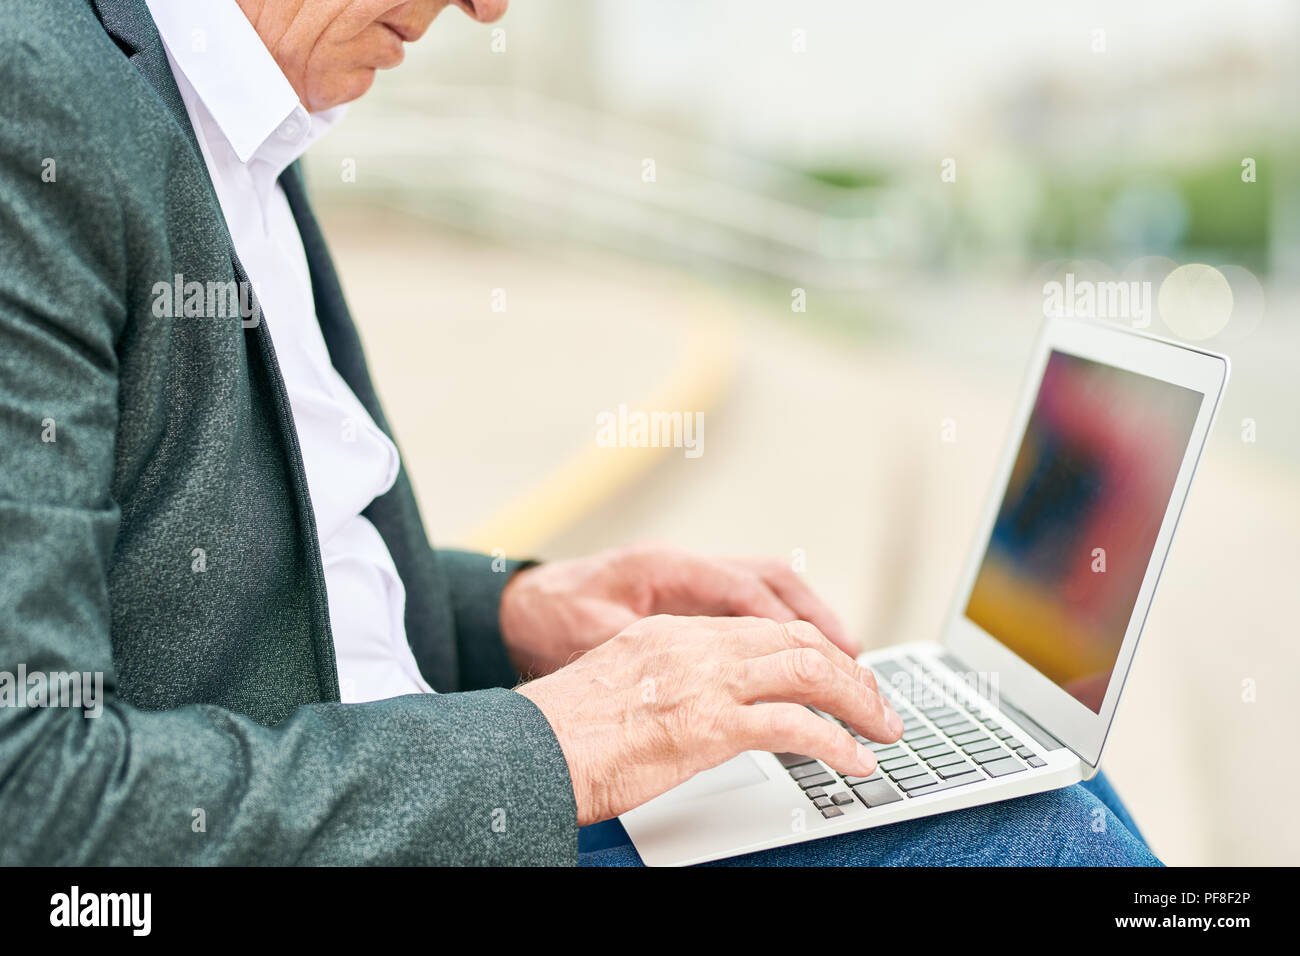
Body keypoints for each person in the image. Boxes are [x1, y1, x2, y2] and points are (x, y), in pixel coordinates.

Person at [0, 0, 1158, 866]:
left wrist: (509, 612)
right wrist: (561, 743)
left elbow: (256, 601)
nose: (488, 7)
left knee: (1045, 780)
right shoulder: (36, 101)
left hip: (413, 793)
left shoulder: (242, 117)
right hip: (411, 822)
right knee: (1044, 841)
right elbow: (33, 793)